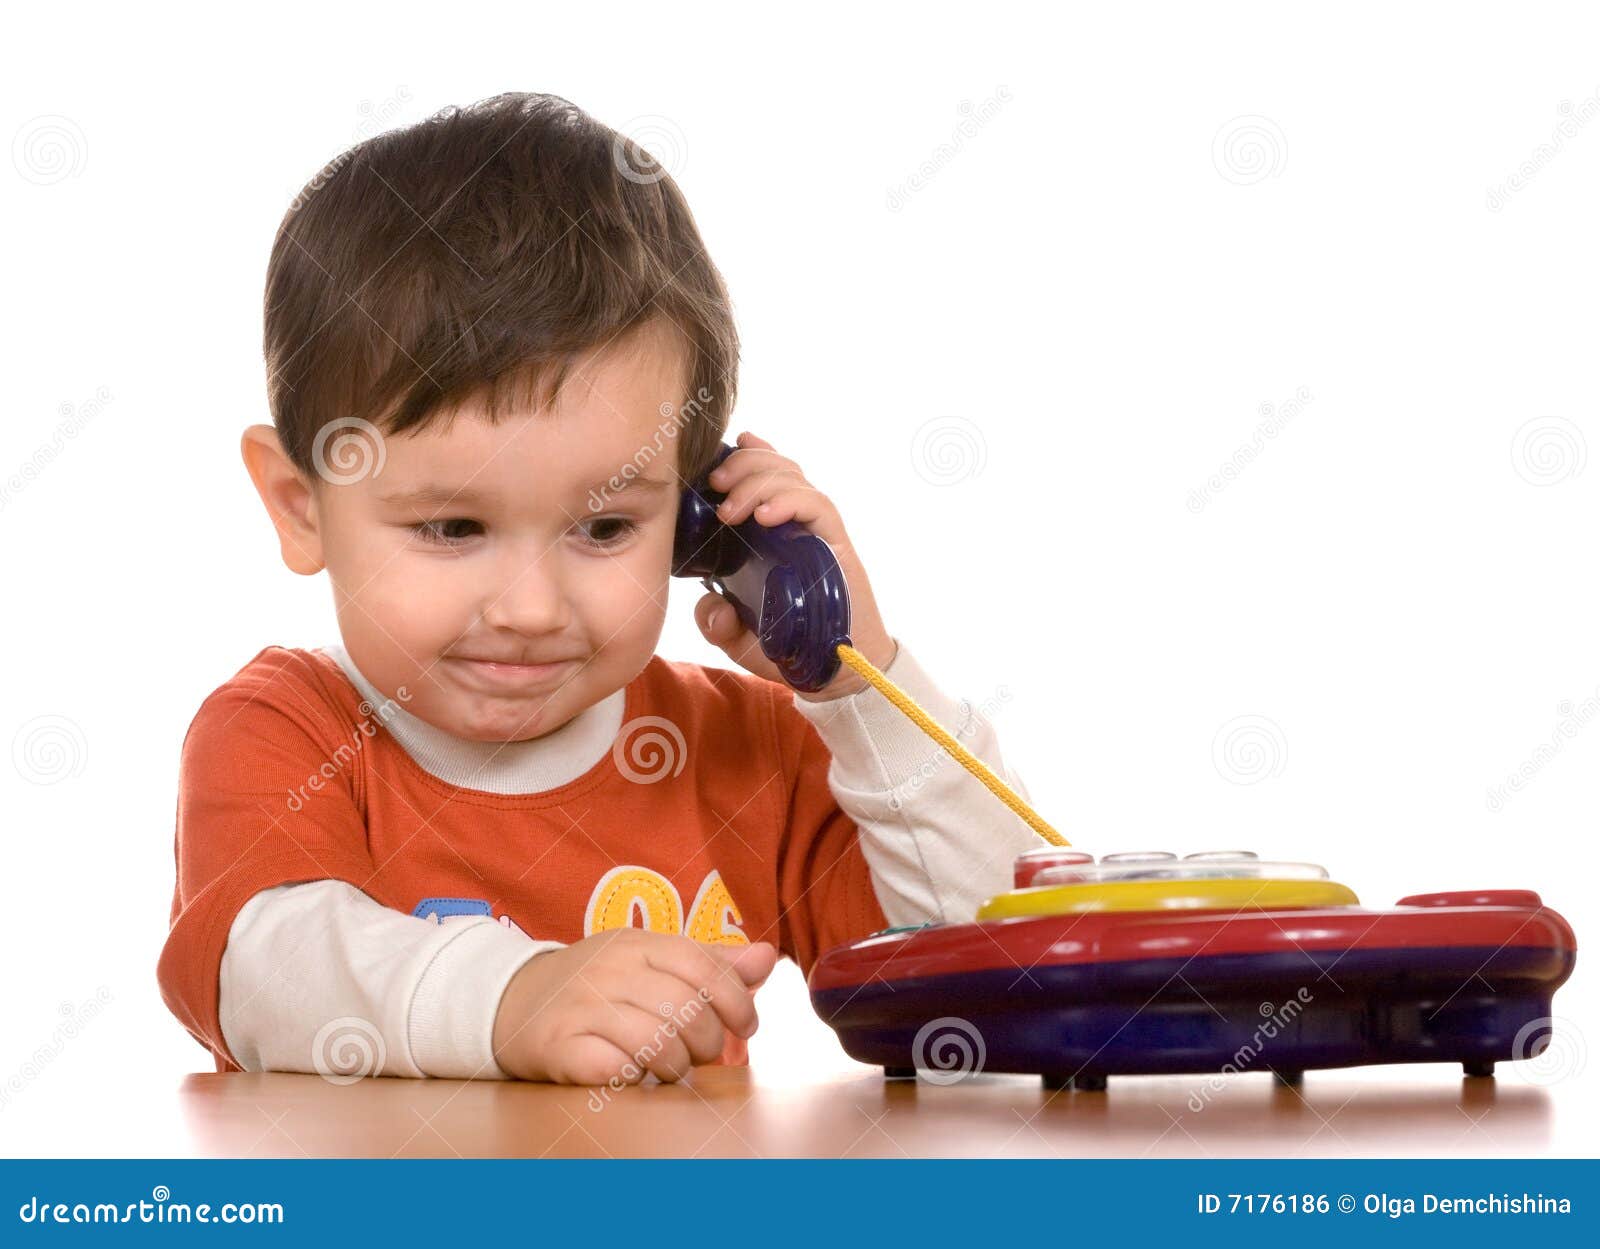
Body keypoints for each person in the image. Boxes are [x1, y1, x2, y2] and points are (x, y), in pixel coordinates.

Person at [157, 91, 1041, 1086]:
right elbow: (259, 970)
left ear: (697, 521)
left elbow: (993, 996)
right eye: (453, 527)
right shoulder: (284, 732)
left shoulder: (745, 752)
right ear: (299, 504)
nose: (532, 610)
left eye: (606, 526)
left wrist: (858, 682)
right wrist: (515, 997)